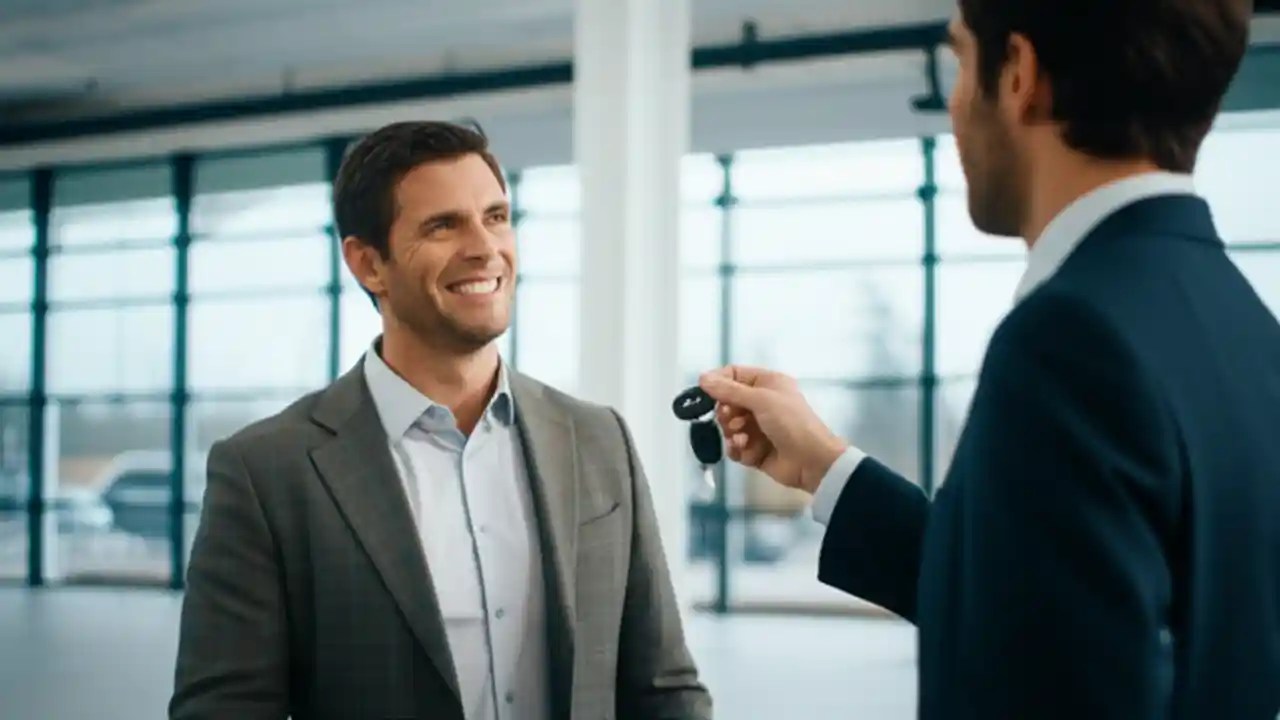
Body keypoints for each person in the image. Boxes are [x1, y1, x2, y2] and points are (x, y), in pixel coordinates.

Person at [699, 0, 1280, 717]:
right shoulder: (1246, 327)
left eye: (961, 60)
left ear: (1018, 75)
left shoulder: (1068, 341)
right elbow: (1041, 614)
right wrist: (825, 466)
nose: (953, 105)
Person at [171, 121, 712, 720]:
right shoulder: (267, 472)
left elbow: (663, 689)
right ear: (368, 264)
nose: (484, 247)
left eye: (496, 217)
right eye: (443, 225)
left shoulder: (597, 439)